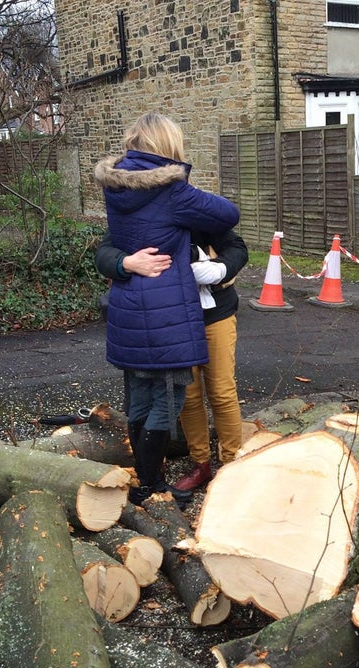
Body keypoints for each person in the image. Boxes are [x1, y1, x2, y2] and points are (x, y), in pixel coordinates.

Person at [93, 112, 240, 506]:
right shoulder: (174, 193)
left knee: (140, 396)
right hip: (167, 313)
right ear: (167, 147)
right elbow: (228, 214)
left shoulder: (116, 190)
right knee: (171, 397)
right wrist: (185, 188)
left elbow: (233, 243)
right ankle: (152, 487)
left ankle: (148, 481)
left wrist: (127, 263)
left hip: (132, 309)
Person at [96, 225, 248, 492]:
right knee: (187, 396)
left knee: (222, 391)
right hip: (172, 321)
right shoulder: (136, 215)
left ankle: (231, 463)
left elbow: (237, 248)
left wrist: (219, 269)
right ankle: (200, 463)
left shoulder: (195, 211)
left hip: (215, 315)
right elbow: (105, 256)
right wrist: (127, 262)